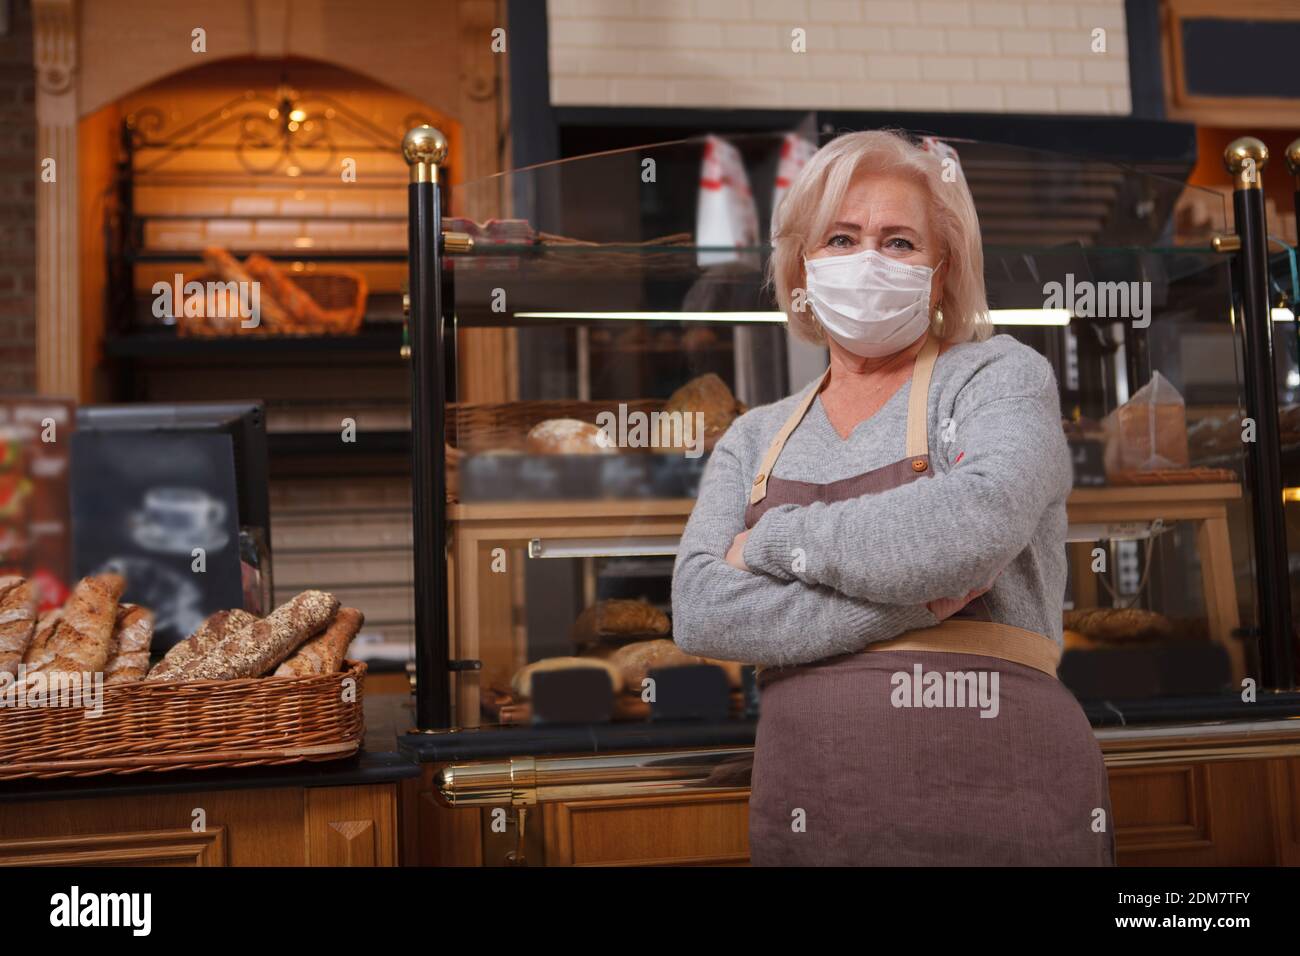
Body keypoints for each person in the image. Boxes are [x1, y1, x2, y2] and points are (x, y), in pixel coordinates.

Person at [671, 130, 1114, 866]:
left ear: (942, 275)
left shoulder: (999, 379)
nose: (868, 260)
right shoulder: (753, 437)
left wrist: (774, 542)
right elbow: (701, 609)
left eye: (900, 242)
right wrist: (918, 596)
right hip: (817, 802)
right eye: (841, 238)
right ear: (803, 269)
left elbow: (971, 526)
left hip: (1005, 797)